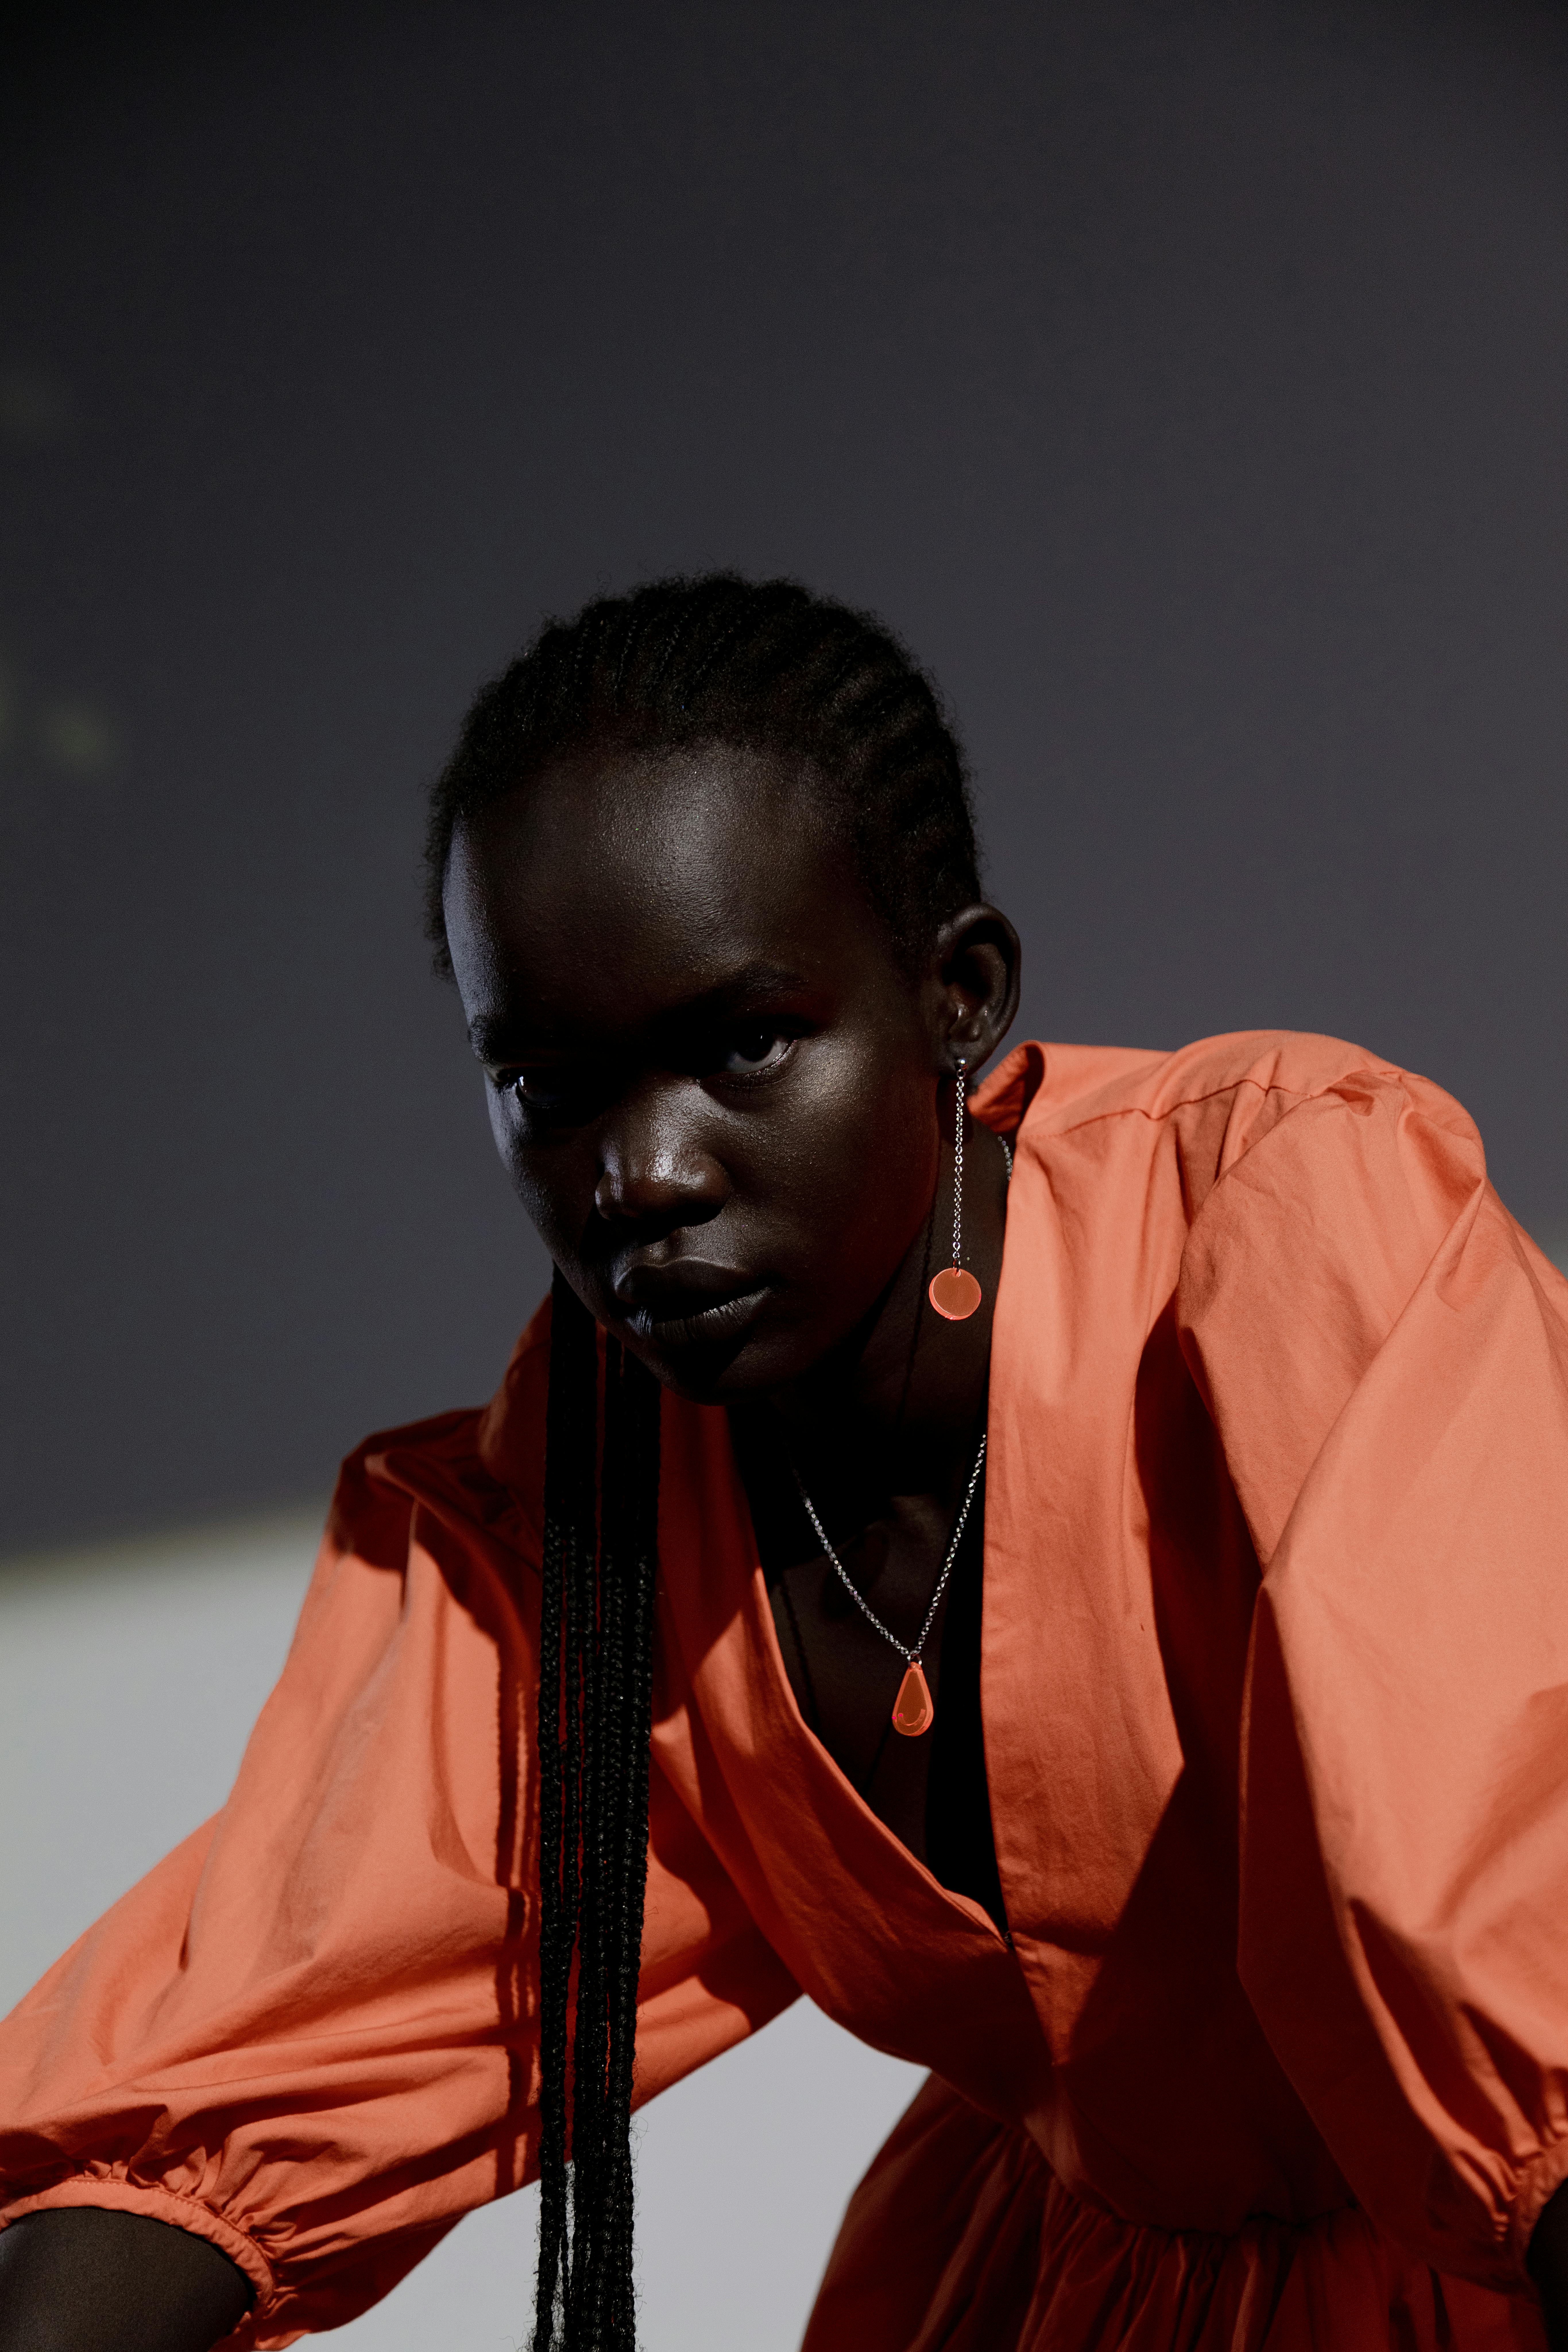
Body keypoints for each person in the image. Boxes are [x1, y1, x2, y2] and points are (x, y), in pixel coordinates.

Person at [2, 573, 1567, 2352]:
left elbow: (1516, 1891)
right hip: (1067, 2299)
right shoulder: (582, 1510)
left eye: (743, 1043)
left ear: (955, 995)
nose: (638, 1175)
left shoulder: (1278, 1227)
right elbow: (260, 2072)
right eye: (546, 1083)